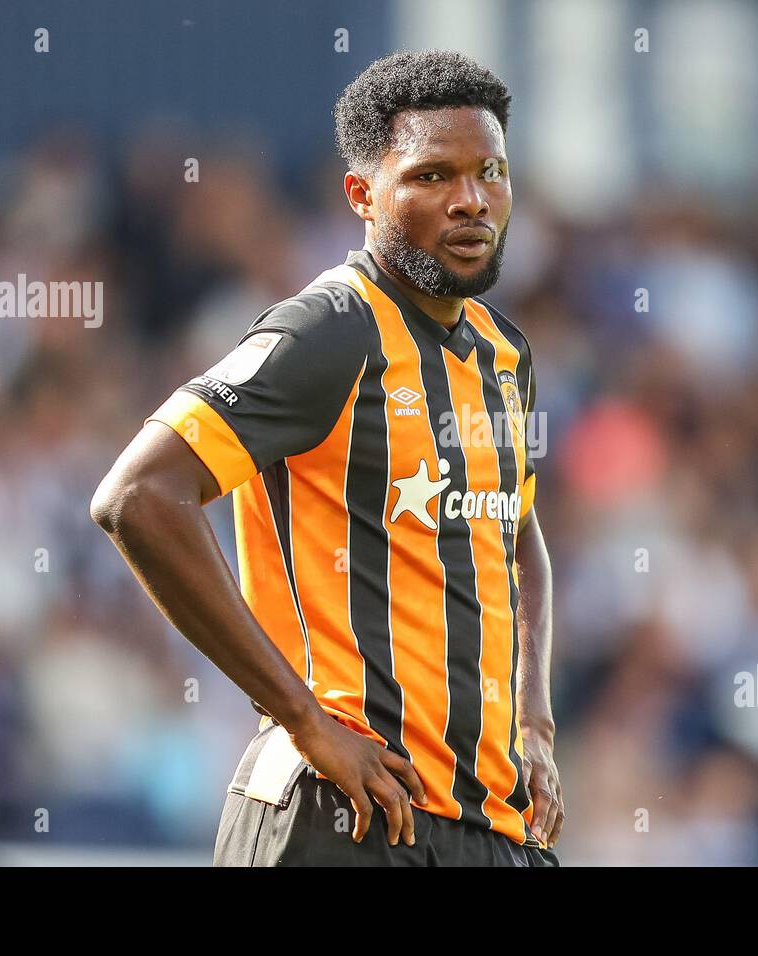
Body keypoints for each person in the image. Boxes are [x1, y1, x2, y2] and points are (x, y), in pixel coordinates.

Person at [90, 50, 562, 866]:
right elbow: (139, 496)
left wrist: (535, 722)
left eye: (490, 172)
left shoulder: (504, 355)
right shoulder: (331, 331)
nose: (470, 200)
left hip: (489, 828)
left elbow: (517, 539)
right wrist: (306, 721)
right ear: (361, 194)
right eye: (432, 176)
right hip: (343, 814)